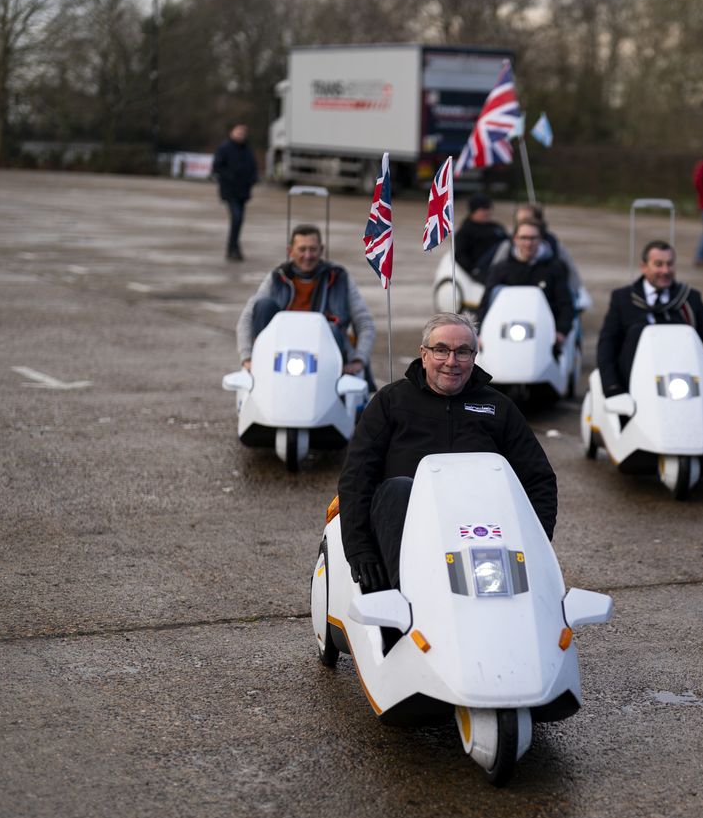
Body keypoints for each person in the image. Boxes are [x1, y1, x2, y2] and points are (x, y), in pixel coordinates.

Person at [338, 312, 557, 595]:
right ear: (424, 354)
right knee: (397, 489)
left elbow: (538, 479)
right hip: (406, 528)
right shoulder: (390, 402)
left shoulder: (499, 407)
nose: (451, 362)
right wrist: (359, 548)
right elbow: (356, 477)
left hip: (480, 529)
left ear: (475, 356)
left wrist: (536, 543)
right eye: (441, 350)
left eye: (462, 352)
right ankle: (406, 607)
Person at [236, 224, 375, 376]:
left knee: (332, 329)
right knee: (263, 305)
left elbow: (364, 322)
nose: (308, 256)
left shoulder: (340, 277)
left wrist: (359, 360)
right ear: (290, 251)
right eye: (302, 249)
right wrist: (247, 357)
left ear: (321, 250)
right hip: (280, 353)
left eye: (313, 249)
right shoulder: (277, 277)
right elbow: (247, 317)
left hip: (327, 358)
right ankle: (260, 372)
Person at [596, 239, 703, 397]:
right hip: (633, 383)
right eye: (658, 264)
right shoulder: (623, 298)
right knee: (636, 332)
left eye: (670, 264)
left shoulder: (689, 299)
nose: (665, 271)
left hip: (680, 383)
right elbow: (607, 345)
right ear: (644, 267)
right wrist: (613, 386)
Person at [477, 219, 575, 351]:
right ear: (515, 239)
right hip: (504, 332)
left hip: (544, 334)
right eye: (524, 238)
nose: (528, 243)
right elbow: (486, 303)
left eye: (533, 238)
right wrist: (480, 332)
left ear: (540, 239)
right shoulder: (500, 269)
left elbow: (566, 304)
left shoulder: (555, 269)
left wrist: (561, 332)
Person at [212, 122, 258, 262]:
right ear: (232, 132)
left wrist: (252, 179)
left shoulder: (247, 150)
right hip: (230, 191)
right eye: (238, 132)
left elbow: (253, 167)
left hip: (243, 191)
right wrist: (229, 177)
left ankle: (234, 248)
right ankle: (232, 248)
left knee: (239, 221)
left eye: (243, 133)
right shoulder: (225, 148)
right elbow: (217, 167)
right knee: (236, 218)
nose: (241, 135)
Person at [454, 193, 508, 281]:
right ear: (474, 210)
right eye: (484, 209)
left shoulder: (496, 227)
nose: (488, 212)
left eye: (489, 208)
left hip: (502, 264)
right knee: (506, 245)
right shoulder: (465, 231)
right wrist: (473, 270)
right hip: (482, 269)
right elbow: (459, 255)